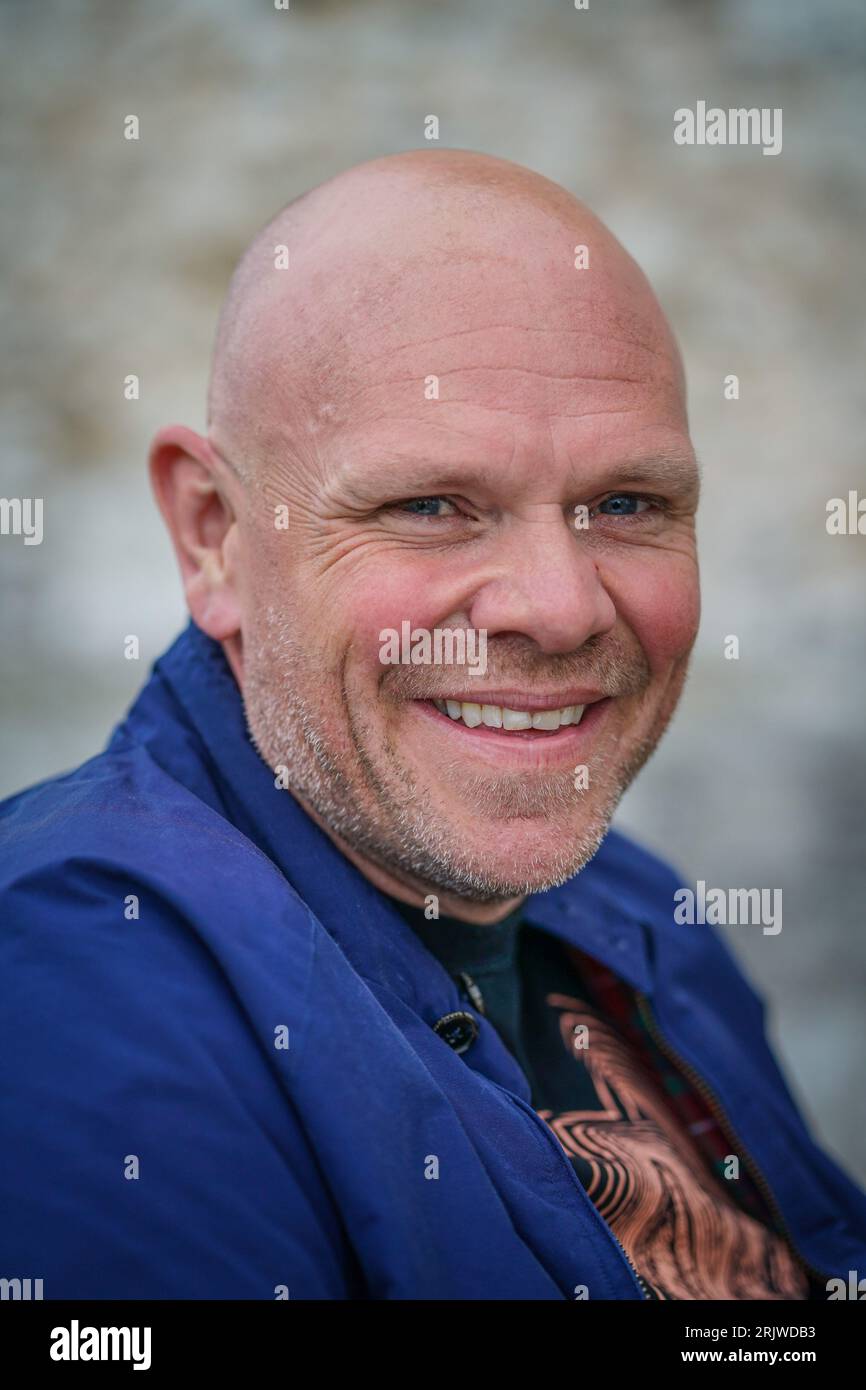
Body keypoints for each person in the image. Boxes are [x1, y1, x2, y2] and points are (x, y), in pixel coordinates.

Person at [2, 150, 864, 1300]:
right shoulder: (79, 985)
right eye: (428, 507)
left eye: (625, 504)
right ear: (213, 534)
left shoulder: (637, 910)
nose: (559, 608)